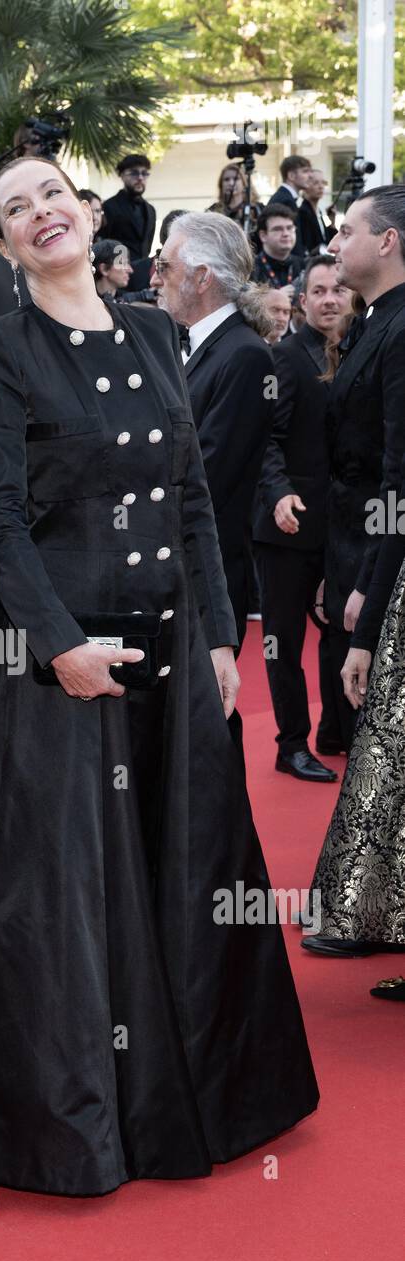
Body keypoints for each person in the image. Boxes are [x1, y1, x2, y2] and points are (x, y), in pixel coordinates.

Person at [0, 154, 318, 1197]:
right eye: (13, 207)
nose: (39, 214)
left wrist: (215, 631)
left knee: (190, 865)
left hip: (170, 646)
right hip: (62, 665)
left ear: (85, 210)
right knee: (73, 892)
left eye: (49, 196)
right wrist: (56, 643)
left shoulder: (155, 330)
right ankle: (80, 1124)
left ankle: (208, 1093)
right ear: (3, 238)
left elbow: (193, 494)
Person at [303, 185, 405, 962]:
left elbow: (400, 479)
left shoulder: (402, 332)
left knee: (388, 745)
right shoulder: (378, 324)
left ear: (390, 242)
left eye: (348, 232)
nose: (334, 245)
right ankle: (375, 916)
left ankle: (376, 915)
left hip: (389, 566)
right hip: (361, 555)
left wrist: (369, 595)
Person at [151, 211, 274, 649]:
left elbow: (207, 474)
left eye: (164, 265)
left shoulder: (244, 355)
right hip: (174, 567)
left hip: (206, 576)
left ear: (201, 277)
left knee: (210, 713)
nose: (154, 277)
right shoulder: (190, 344)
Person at [251, 254, 352, 781]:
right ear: (303, 301)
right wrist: (279, 493)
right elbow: (265, 439)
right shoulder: (284, 359)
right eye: (319, 291)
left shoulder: (359, 349)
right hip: (286, 528)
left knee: (341, 631)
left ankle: (337, 730)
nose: (330, 299)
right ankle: (291, 744)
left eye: (338, 289)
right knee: (283, 641)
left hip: (342, 527)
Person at [100, 154, 156, 261]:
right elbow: (103, 244)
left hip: (143, 271)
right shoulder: (108, 206)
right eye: (134, 173)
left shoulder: (151, 210)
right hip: (115, 272)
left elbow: (147, 246)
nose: (140, 178)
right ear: (121, 175)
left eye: (144, 173)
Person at [251, 203, 304, 289]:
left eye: (290, 228)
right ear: (263, 236)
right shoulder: (251, 270)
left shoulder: (303, 267)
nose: (286, 234)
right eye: (278, 229)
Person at [208, 163, 264, 243]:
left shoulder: (258, 209)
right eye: (226, 179)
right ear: (221, 185)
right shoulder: (213, 211)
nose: (231, 183)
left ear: (244, 183)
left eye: (236, 179)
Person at [270, 154, 313, 258]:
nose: (310, 176)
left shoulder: (286, 197)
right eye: (305, 171)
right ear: (291, 176)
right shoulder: (286, 200)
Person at [299, 169, 336, 255]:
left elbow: (327, 242)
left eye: (323, 183)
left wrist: (331, 223)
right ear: (305, 187)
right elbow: (311, 246)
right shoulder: (303, 213)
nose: (321, 186)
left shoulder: (318, 211)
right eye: (316, 183)